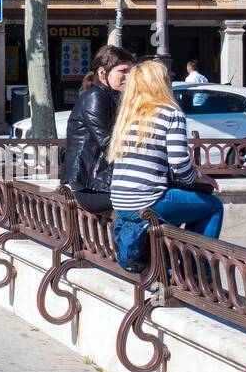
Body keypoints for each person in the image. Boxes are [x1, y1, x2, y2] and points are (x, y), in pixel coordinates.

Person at [109, 59, 222, 237]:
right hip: (148, 202)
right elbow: (179, 166)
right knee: (214, 205)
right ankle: (198, 264)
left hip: (121, 203)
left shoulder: (130, 114)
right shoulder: (170, 112)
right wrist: (202, 177)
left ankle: (188, 259)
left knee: (194, 204)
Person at [61, 44, 134, 214]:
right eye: (123, 71)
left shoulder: (111, 97)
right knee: (156, 200)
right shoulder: (95, 97)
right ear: (102, 73)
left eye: (131, 71)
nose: (129, 76)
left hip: (100, 182)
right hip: (90, 187)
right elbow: (108, 143)